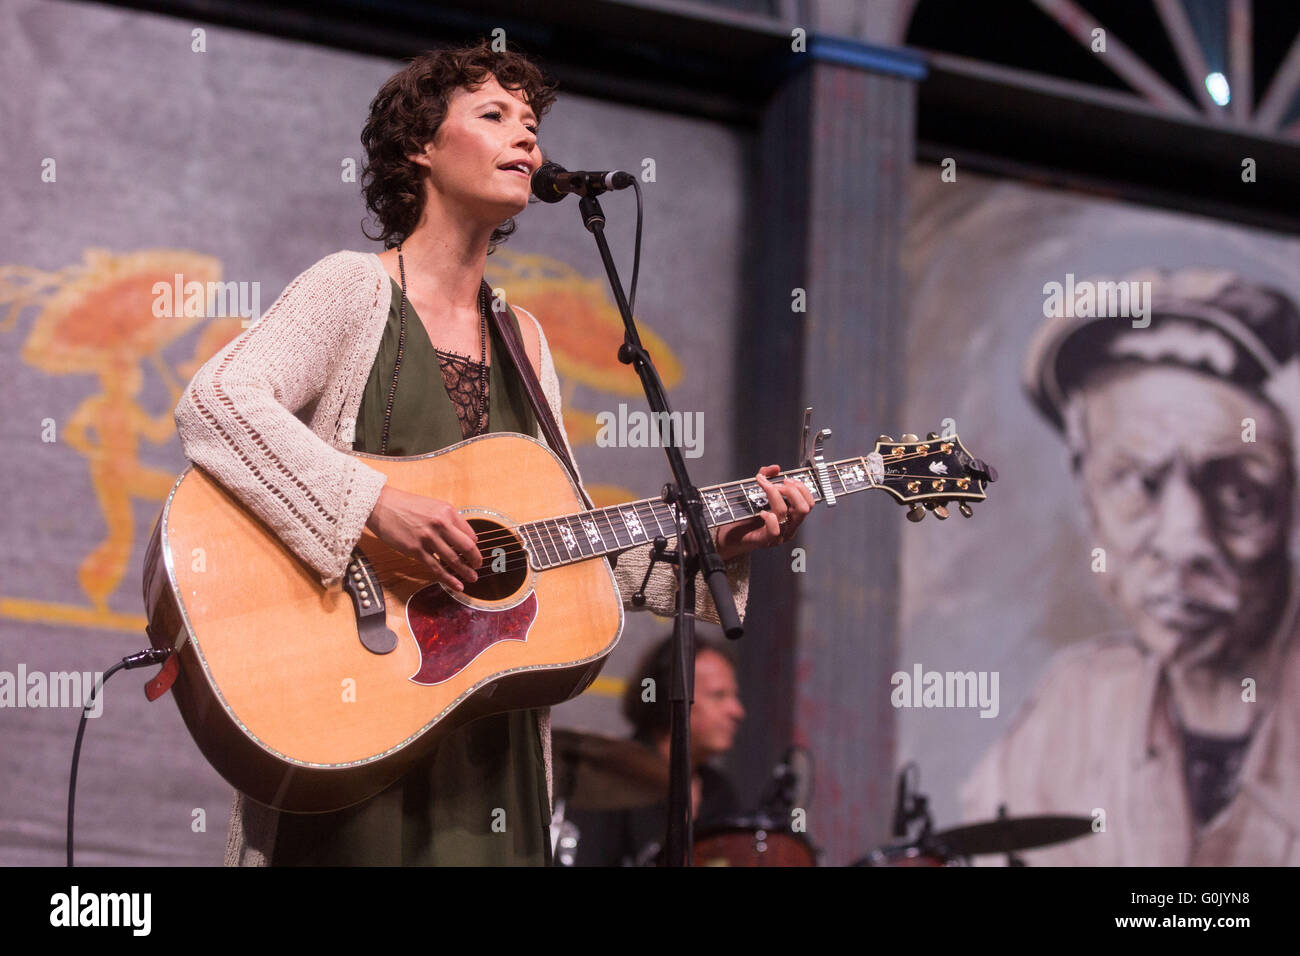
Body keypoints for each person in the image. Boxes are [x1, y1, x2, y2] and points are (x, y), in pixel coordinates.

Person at [173, 40, 812, 866]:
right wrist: (373, 505)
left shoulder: (525, 341)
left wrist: (716, 546)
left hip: (489, 745)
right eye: (495, 115)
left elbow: (556, 542)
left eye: (533, 123)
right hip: (356, 706)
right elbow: (216, 404)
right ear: (421, 148)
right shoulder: (352, 290)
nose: (529, 140)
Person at [962, 267, 1300, 865]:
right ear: (1088, 500)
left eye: (1239, 495)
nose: (1182, 540)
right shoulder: (1071, 713)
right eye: (1137, 484)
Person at [565, 634, 745, 866]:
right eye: (719, 695)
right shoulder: (611, 778)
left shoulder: (720, 792)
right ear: (673, 699)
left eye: (734, 696)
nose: (737, 711)